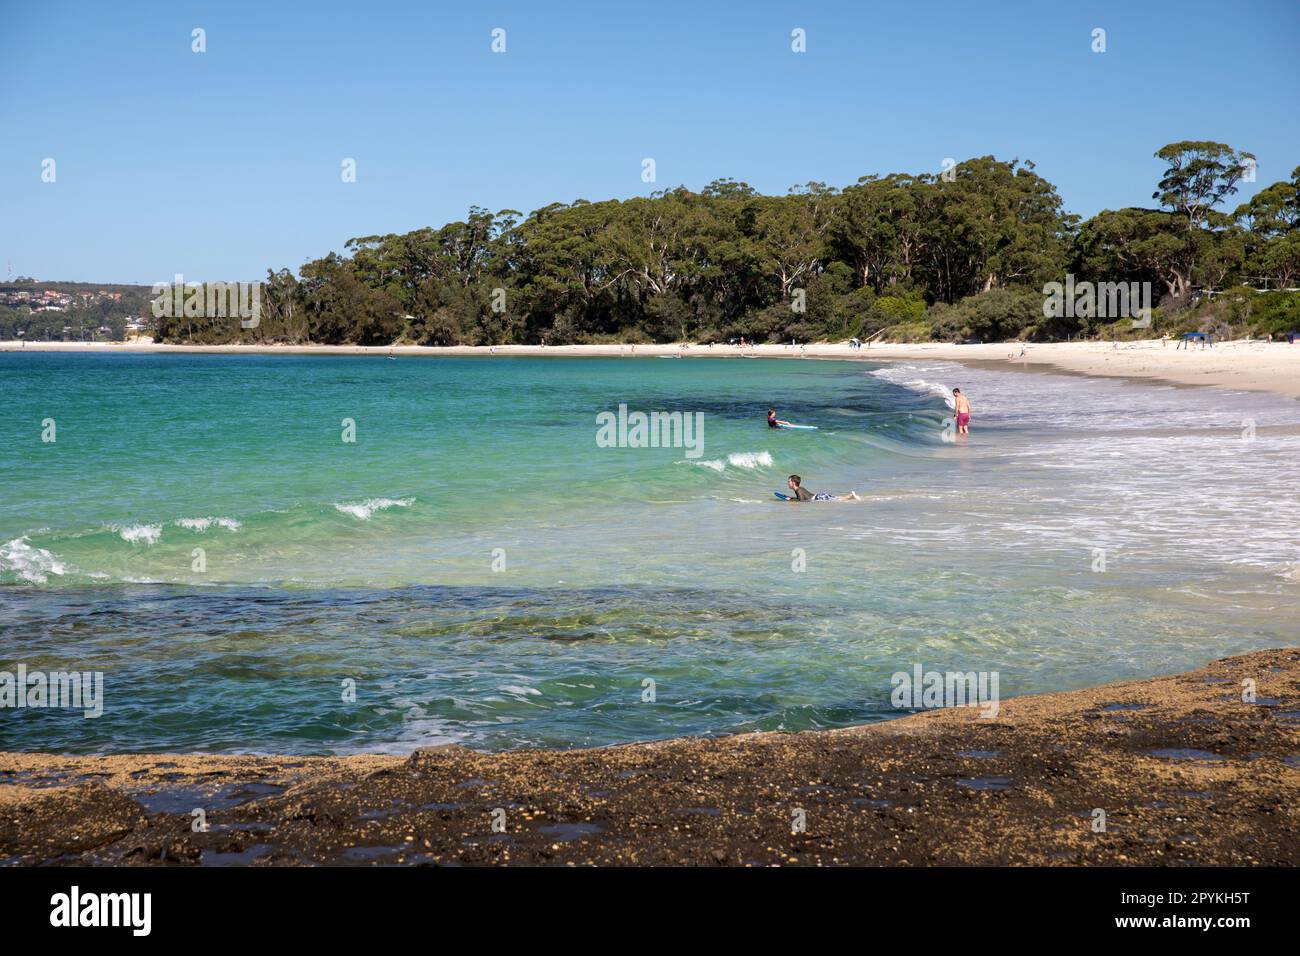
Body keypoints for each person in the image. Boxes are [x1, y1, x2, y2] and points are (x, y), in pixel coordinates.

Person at [784, 474, 859, 502]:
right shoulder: (800, 489)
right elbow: (802, 498)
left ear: (793, 483)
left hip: (819, 498)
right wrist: (792, 498)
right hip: (820, 496)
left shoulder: (798, 490)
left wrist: (791, 499)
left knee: (839, 500)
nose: (788, 483)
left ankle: (852, 496)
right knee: (839, 498)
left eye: (788, 481)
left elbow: (802, 501)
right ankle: (851, 496)